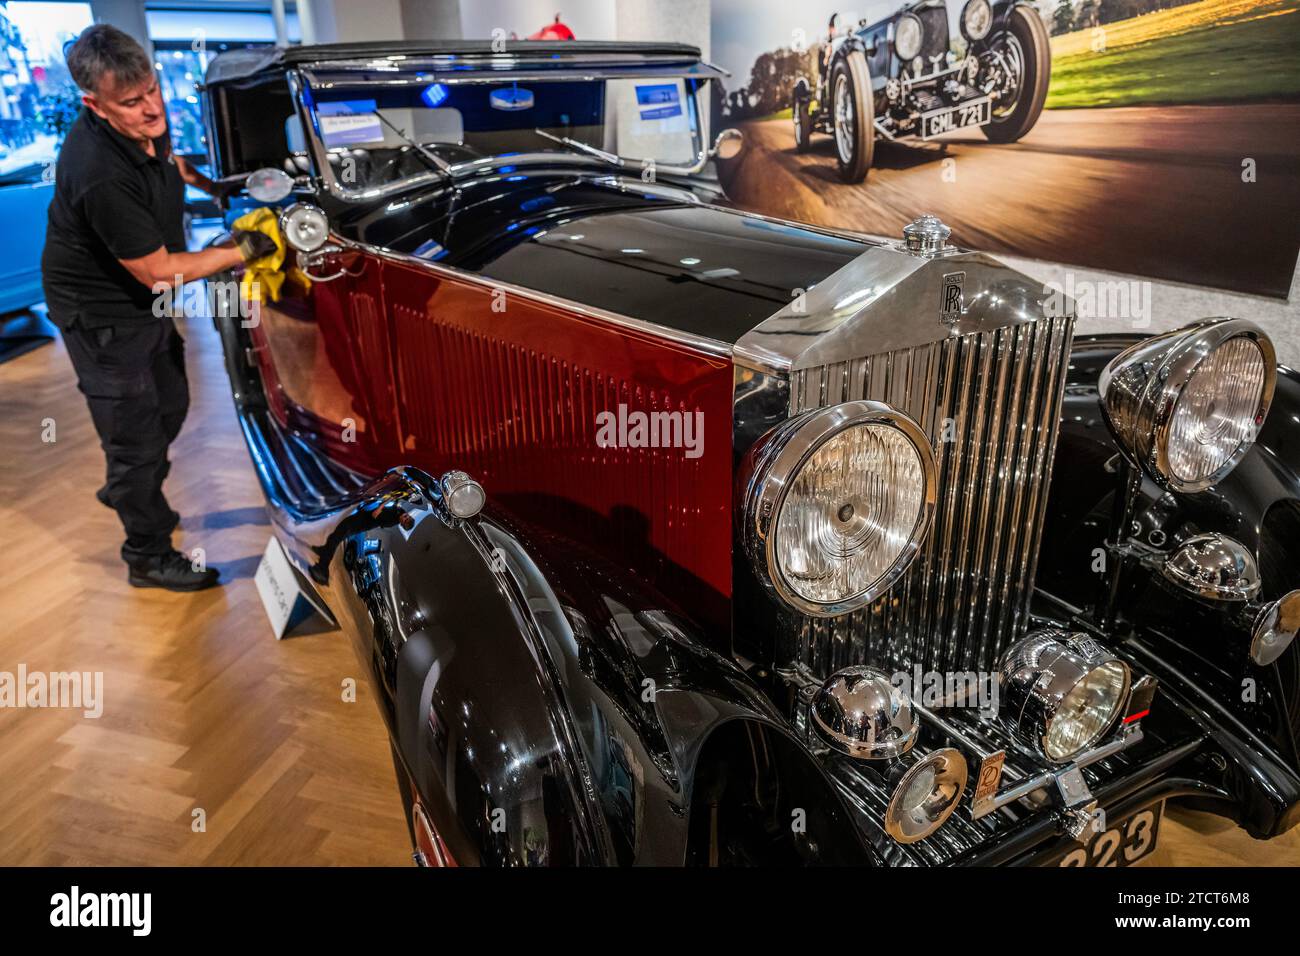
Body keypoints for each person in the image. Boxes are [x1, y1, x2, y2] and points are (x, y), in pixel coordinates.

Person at [41, 24, 276, 591]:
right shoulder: (97, 171)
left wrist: (217, 190)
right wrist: (239, 250)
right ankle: (145, 551)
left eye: (154, 91)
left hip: (143, 302)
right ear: (93, 105)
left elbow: (172, 168)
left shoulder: (148, 129)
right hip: (100, 314)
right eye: (132, 102)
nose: (151, 109)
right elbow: (157, 270)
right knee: (137, 436)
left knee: (171, 403)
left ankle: (127, 479)